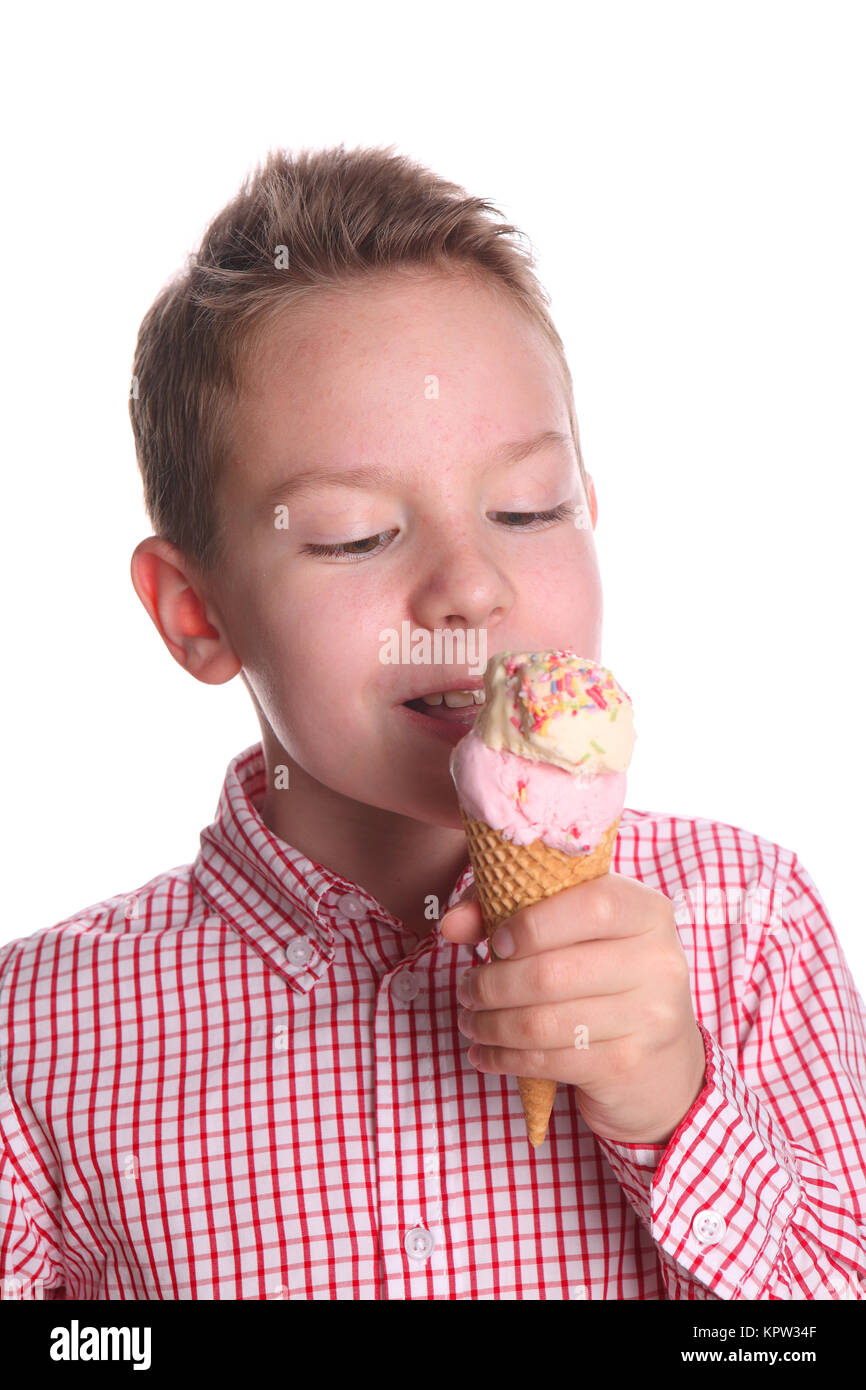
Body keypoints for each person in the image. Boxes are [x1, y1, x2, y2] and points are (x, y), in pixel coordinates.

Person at [1, 145, 864, 1301]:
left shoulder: (748, 927)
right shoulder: (36, 1038)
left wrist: (677, 1108)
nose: (469, 586)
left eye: (526, 508)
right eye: (357, 535)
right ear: (197, 610)